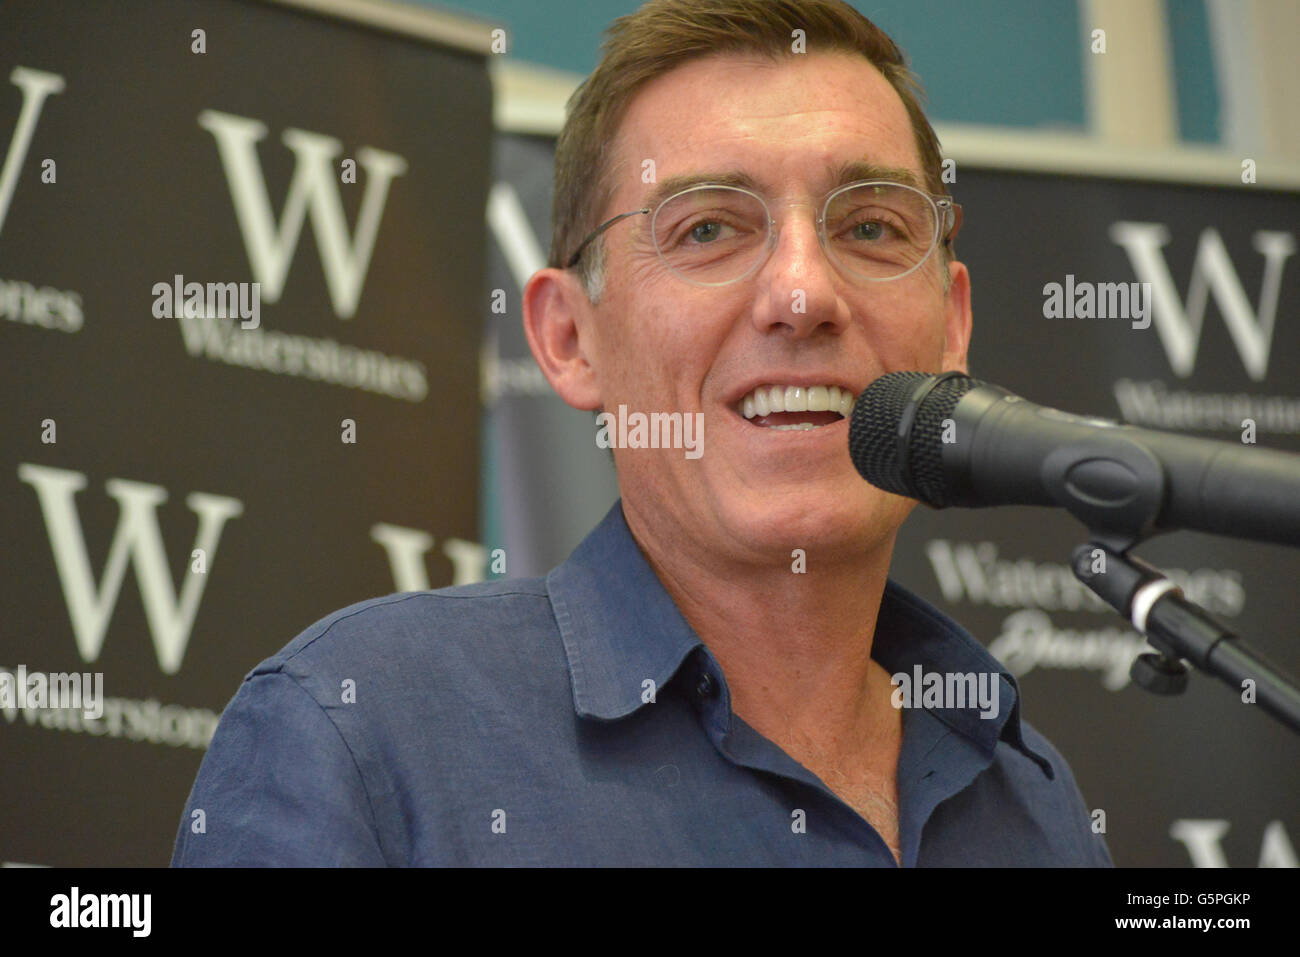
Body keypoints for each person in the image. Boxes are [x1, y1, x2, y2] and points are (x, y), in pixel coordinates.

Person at [171, 0, 1112, 867]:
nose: (802, 293)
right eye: (707, 230)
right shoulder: (361, 727)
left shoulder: (1033, 799)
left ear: (951, 328)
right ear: (569, 338)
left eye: (871, 226)